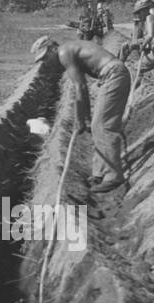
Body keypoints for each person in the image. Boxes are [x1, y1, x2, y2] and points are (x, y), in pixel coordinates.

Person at [30, 33, 131, 191]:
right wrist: (86, 118)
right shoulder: (68, 49)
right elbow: (81, 87)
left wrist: (79, 119)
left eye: (45, 58)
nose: (46, 62)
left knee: (103, 126)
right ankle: (100, 172)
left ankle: (113, 176)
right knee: (97, 125)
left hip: (114, 75)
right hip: (111, 76)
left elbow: (81, 86)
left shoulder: (64, 53)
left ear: (51, 49)